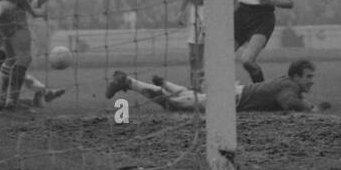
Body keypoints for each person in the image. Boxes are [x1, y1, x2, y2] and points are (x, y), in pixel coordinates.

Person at [105, 59, 323, 113]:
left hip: (232, 92)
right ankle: (127, 81)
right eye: (308, 76)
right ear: (295, 77)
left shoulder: (286, 82)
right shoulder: (289, 89)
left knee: (189, 98)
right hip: (229, 99)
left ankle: (165, 83)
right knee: (175, 105)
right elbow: (289, 102)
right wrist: (311, 109)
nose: (311, 80)